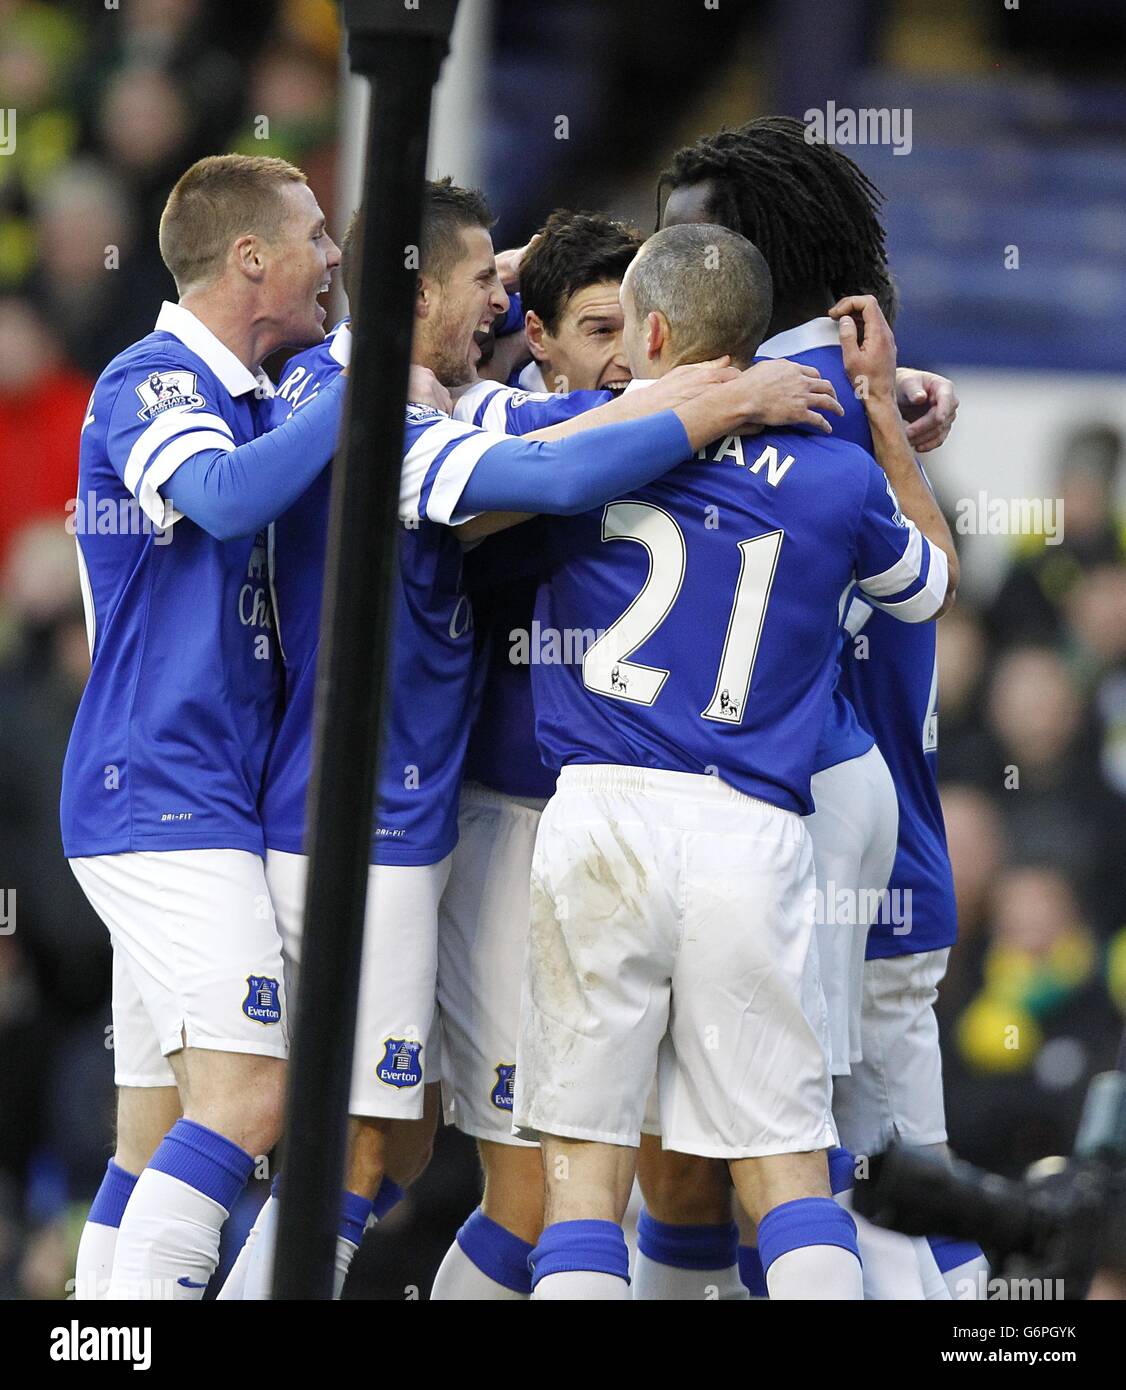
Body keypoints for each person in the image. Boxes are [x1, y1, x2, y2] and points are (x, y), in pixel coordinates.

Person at [222, 178, 842, 1299]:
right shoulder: (388, 407)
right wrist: (709, 401)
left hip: (462, 830)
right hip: (406, 822)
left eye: (625, 328)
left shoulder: (476, 400)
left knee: (430, 1156)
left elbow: (544, 429)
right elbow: (552, 466)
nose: (618, 359)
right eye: (581, 327)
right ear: (542, 337)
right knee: (397, 1152)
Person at [510, 224, 956, 1300]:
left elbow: (466, 464)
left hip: (600, 819)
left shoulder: (574, 430)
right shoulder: (839, 476)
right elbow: (929, 586)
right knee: (788, 1165)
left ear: (652, 330)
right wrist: (887, 422)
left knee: (586, 1177)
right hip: (752, 833)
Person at [658, 115, 985, 1299]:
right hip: (892, 841)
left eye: (682, 247)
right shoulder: (856, 399)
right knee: (879, 1170)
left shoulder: (765, 414)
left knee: (816, 1173)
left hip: (817, 842)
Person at [61, 153, 347, 1299]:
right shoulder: (155, 377)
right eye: (316, 236)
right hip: (161, 792)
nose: (332, 259)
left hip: (194, 792)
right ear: (249, 257)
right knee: (254, 1101)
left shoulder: (254, 387)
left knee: (152, 1137)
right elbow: (221, 496)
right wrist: (366, 388)